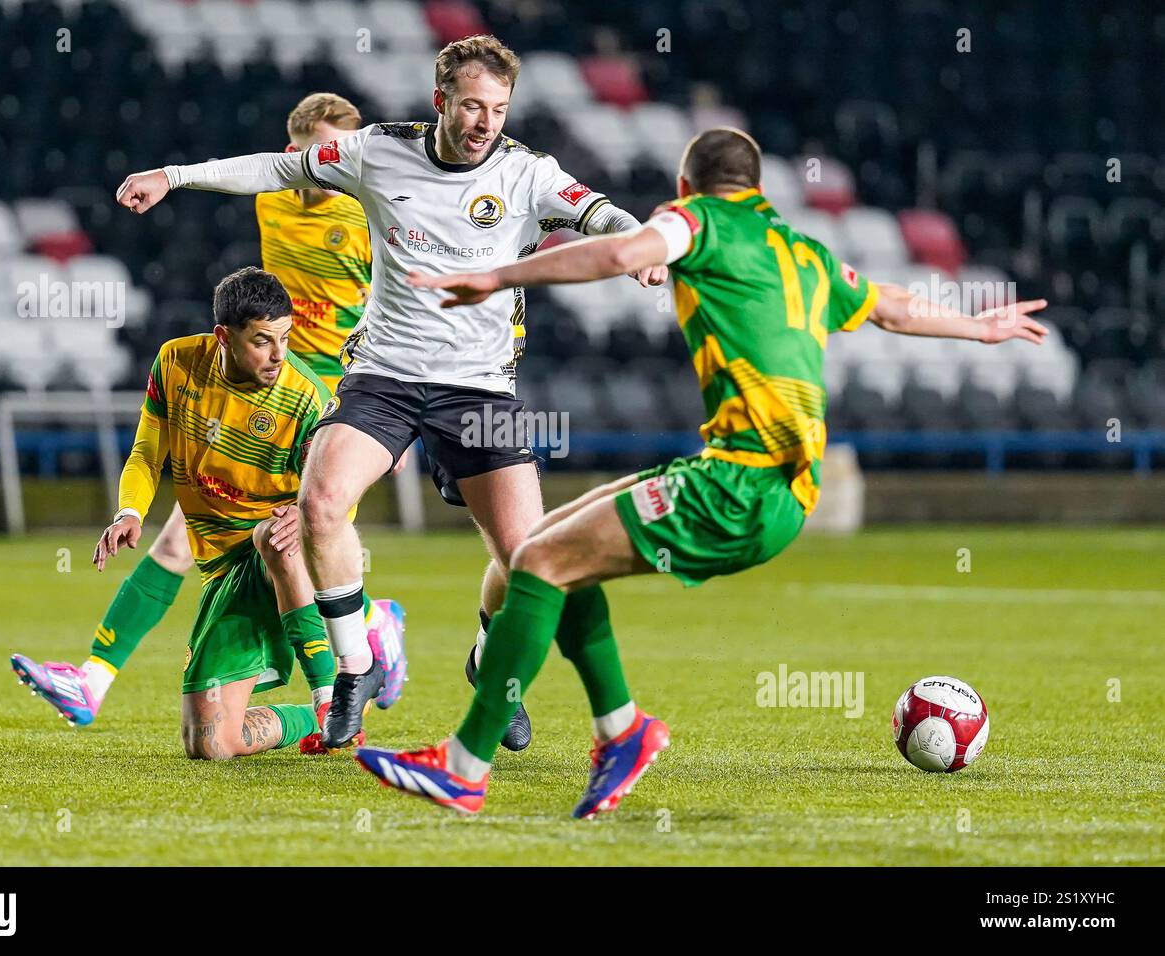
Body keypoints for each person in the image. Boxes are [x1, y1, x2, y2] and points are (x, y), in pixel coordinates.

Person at [355, 127, 1049, 816]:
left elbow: (623, 251)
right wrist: (979, 327)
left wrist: (496, 276)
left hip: (740, 486)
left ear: (685, 187)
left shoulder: (697, 221)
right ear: (758, 188)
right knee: (547, 548)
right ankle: (619, 733)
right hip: (765, 486)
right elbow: (891, 306)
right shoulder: (803, 252)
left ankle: (469, 767)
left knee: (536, 564)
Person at [112, 35, 666, 749]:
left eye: (498, 108)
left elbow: (606, 216)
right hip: (385, 375)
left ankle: (487, 661)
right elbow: (276, 167)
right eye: (472, 105)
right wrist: (173, 175)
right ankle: (354, 668)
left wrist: (642, 250)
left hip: (480, 388)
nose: (485, 122)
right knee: (319, 503)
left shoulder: (528, 174)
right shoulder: (377, 151)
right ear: (441, 100)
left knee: (526, 556)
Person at [11, 93, 406, 728]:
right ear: (294, 152)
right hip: (261, 375)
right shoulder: (273, 196)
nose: (334, 163)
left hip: (330, 399)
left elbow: (397, 298)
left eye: (344, 153)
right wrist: (169, 178)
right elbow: (235, 171)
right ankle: (91, 681)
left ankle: (347, 666)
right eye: (322, 151)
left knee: (304, 538)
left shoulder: (366, 213)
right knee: (183, 538)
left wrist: (384, 410)